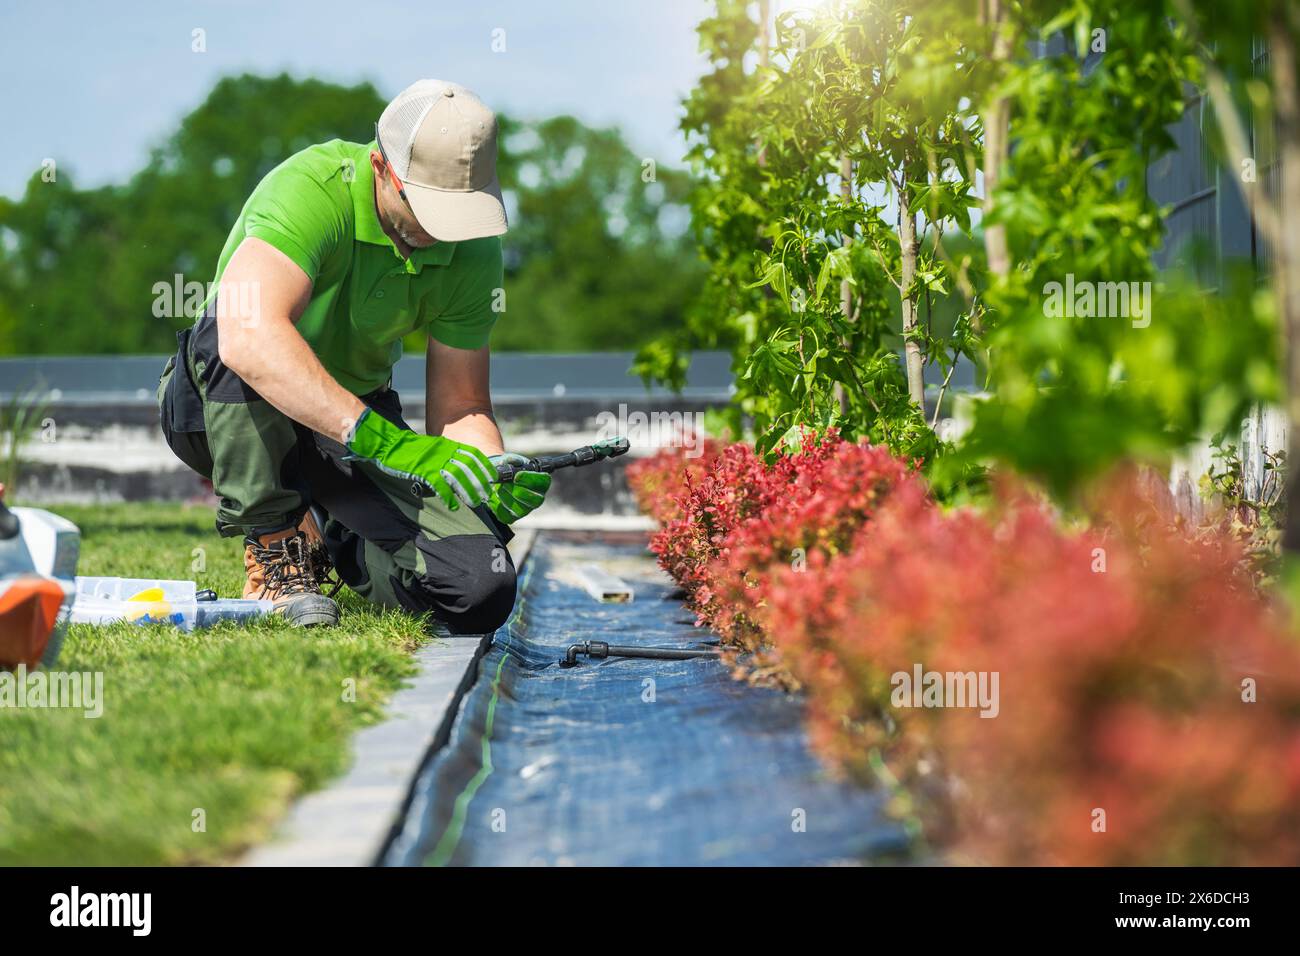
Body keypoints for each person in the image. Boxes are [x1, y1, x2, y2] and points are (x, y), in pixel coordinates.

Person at [156, 80, 549, 629]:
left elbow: (461, 402)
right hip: (221, 410)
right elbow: (246, 334)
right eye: (429, 208)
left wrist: (485, 476)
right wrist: (378, 439)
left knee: (480, 590)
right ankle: (278, 553)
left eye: (457, 213)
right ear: (382, 167)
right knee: (236, 322)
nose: (442, 232)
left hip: (349, 420)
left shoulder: (475, 248)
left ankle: (345, 542)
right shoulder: (311, 190)